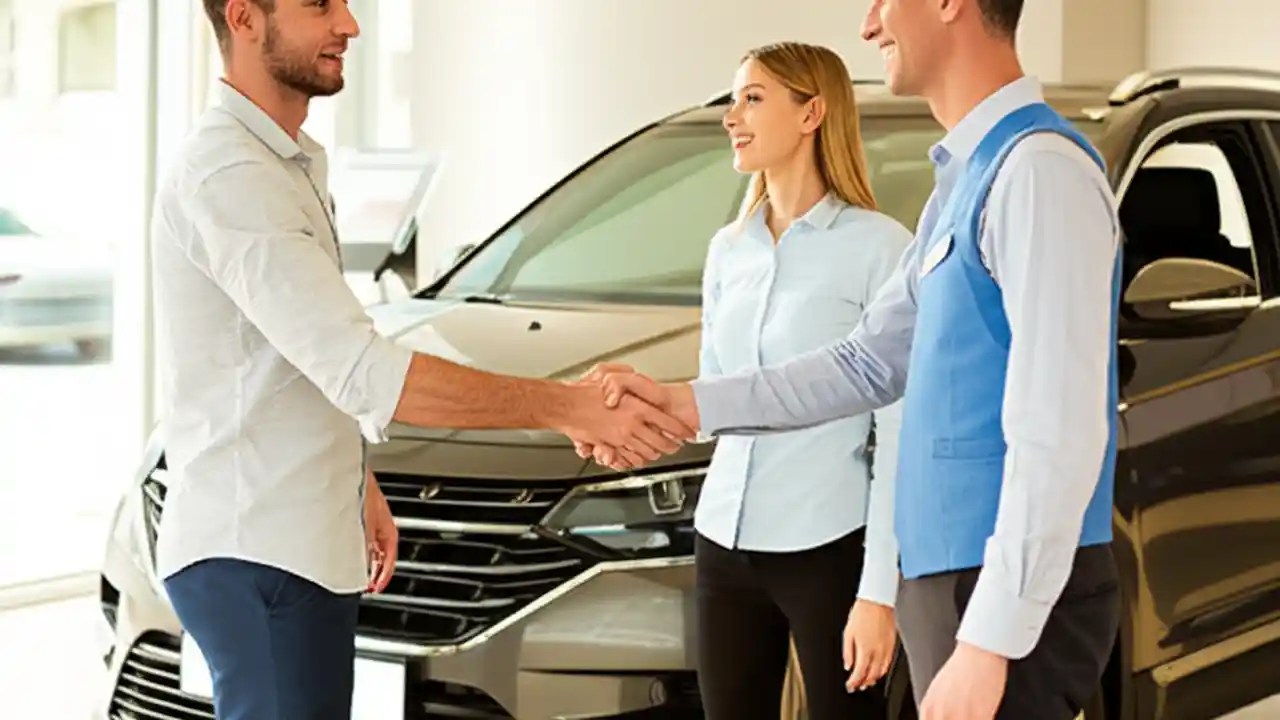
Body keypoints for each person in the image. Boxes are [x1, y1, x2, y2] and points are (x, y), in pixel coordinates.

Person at [583, 1, 1123, 718]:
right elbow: (865, 363)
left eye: (883, 1)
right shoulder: (966, 181)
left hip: (990, 592)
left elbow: (1059, 431)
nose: (869, 25)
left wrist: (989, 641)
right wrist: (686, 403)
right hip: (949, 583)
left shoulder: (1038, 172)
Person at [151, 2, 691, 718]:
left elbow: (293, 357)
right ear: (245, 17)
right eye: (319, 4)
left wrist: (354, 479)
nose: (350, 24)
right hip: (260, 553)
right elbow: (362, 368)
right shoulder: (232, 175)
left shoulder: (284, 162)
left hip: (295, 540)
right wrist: (569, 407)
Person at [640, 41, 911, 720]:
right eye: (734, 99)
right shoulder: (728, 249)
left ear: (811, 113)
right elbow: (716, 399)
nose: (731, 116)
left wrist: (879, 593)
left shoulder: (881, 247)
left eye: (753, 98)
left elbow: (900, 437)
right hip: (723, 542)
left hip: (829, 546)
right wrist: (632, 421)